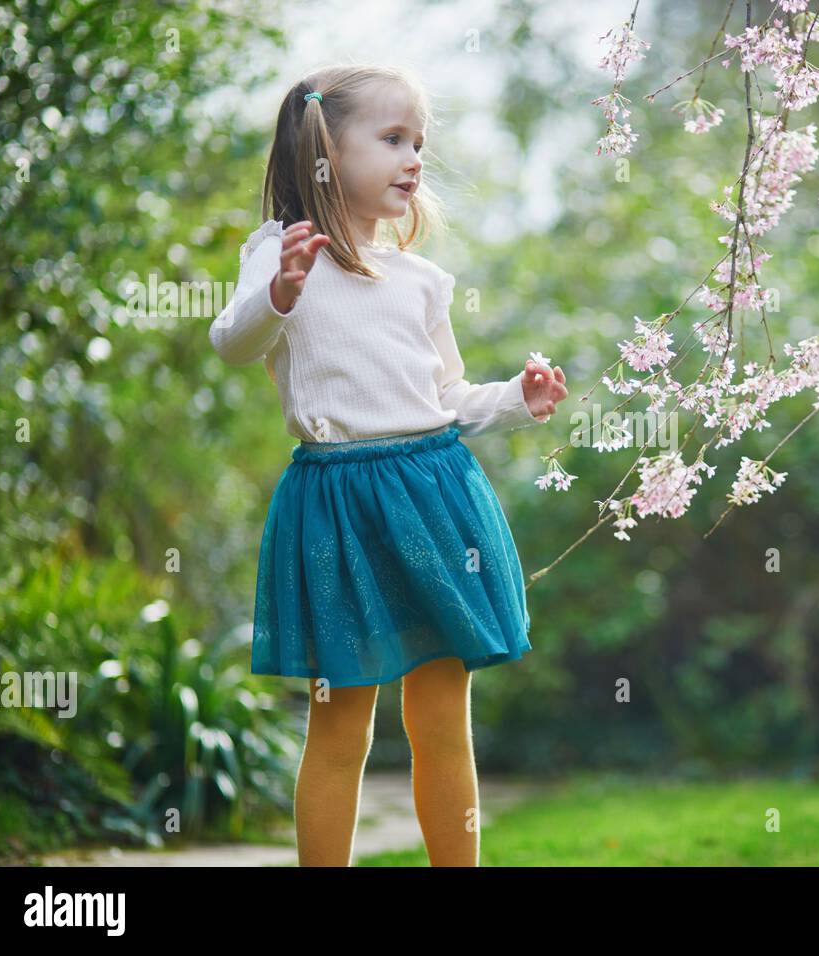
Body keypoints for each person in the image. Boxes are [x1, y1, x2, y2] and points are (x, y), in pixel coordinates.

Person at [208, 64, 568, 867]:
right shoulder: (276, 252)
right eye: (393, 139)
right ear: (325, 148)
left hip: (435, 495)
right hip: (337, 503)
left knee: (442, 718)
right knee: (340, 725)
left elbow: (447, 397)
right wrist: (281, 292)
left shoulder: (422, 281)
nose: (414, 159)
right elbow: (232, 344)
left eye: (420, 145)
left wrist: (518, 396)